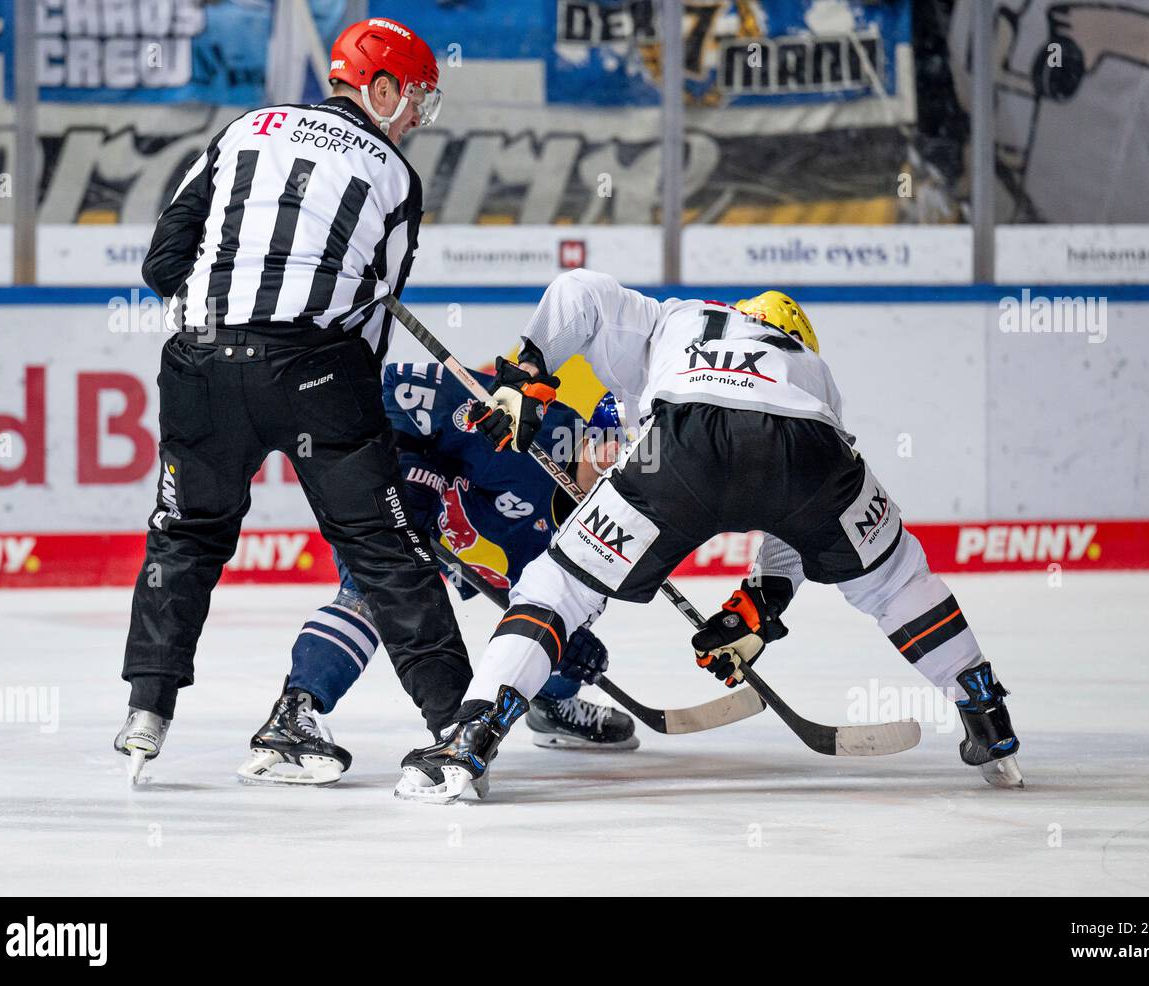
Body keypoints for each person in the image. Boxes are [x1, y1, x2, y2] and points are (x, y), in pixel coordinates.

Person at [394, 271, 1024, 803]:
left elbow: (577, 291)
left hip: (685, 440)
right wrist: (761, 601)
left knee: (558, 588)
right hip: (812, 451)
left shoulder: (680, 318)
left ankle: (469, 740)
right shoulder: (813, 371)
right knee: (897, 582)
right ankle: (987, 716)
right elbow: (798, 516)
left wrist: (527, 374)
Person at [113, 18, 468, 782]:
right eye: (411, 100)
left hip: (199, 367)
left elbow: (160, 263)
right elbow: (373, 328)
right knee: (383, 547)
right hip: (317, 374)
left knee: (185, 534)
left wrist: (230, 316)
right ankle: (453, 726)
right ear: (378, 88)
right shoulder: (396, 178)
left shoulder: (242, 129)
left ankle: (147, 712)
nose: (414, 119)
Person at [237, 364, 640, 784]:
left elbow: (541, 601)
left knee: (564, 617)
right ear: (593, 438)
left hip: (476, 534)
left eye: (633, 462)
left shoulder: (613, 518)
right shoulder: (536, 427)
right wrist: (408, 463)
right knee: (375, 591)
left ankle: (549, 704)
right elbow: (397, 381)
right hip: (402, 491)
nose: (619, 468)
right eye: (613, 449)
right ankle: (293, 714)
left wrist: (563, 639)